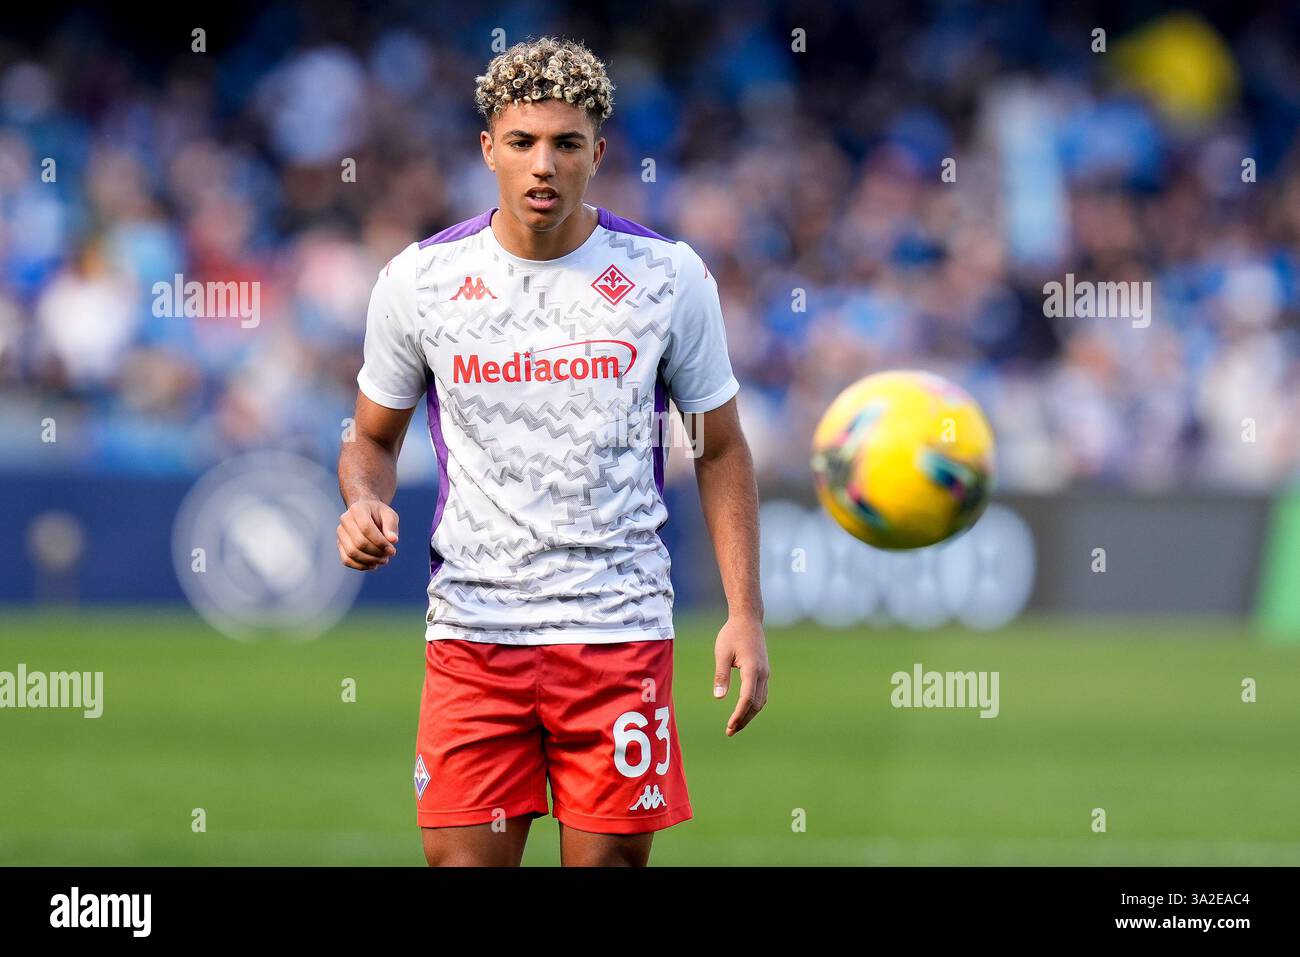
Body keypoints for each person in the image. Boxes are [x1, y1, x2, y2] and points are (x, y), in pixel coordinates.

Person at [337, 36, 768, 867]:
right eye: (524, 142)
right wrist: (362, 499)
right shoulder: (420, 281)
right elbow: (371, 438)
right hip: (474, 630)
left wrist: (744, 612)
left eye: (567, 144)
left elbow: (721, 449)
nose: (544, 164)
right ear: (487, 148)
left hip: (618, 630)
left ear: (598, 154)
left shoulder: (666, 277)